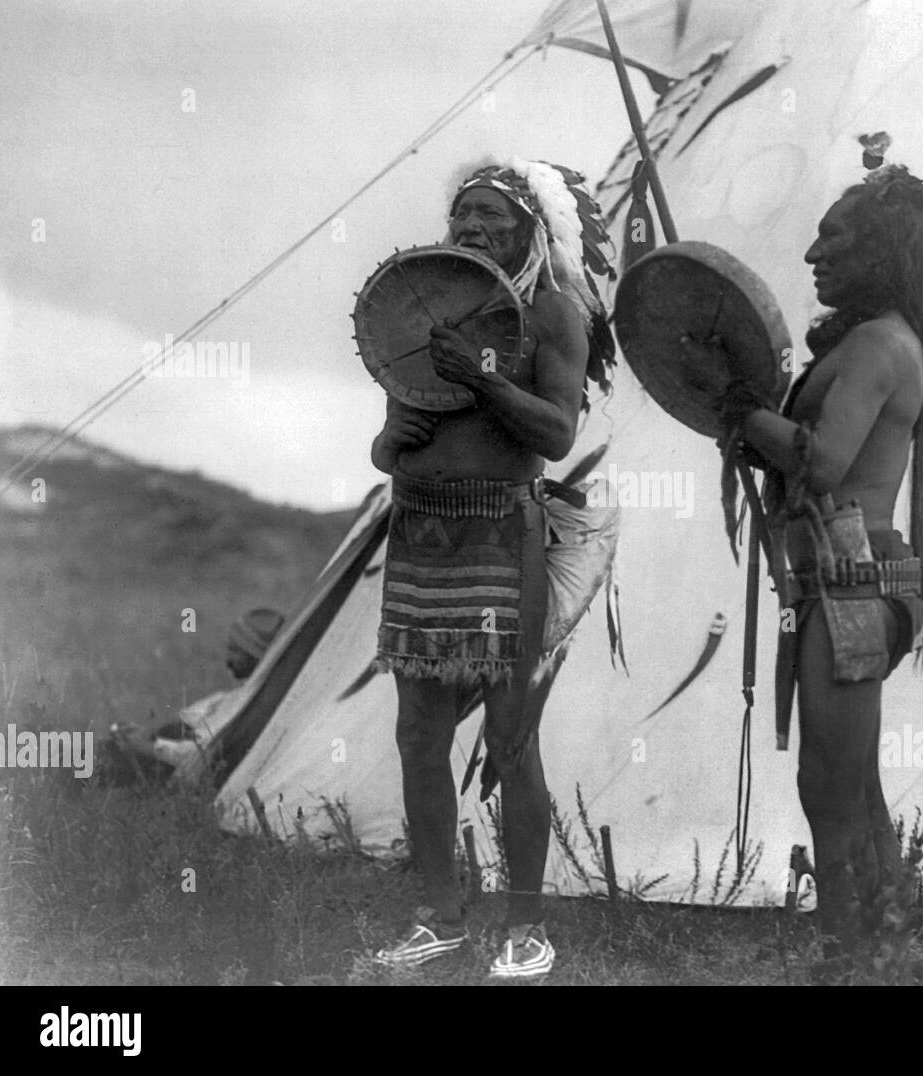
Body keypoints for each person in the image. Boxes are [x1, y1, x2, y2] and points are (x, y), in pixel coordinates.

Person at [370, 159, 614, 979]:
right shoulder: (423, 306)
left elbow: (555, 434)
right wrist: (388, 445)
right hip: (420, 539)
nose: (470, 227)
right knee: (417, 736)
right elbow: (389, 435)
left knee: (511, 742)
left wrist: (480, 375)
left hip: (503, 540)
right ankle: (439, 914)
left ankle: (524, 928)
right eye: (461, 213)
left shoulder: (552, 315)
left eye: (490, 216)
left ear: (529, 231)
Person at [721, 163, 923, 968]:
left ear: (882, 252)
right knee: (854, 787)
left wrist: (744, 414)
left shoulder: (877, 345)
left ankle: (847, 963)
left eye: (836, 238)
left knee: (827, 792)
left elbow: (822, 466)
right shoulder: (886, 338)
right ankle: (883, 949)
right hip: (852, 583)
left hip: (853, 589)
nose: (813, 254)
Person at [105, 607, 285, 783]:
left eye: (236, 651)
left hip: (170, 760)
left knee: (97, 760)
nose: (228, 659)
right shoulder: (242, 695)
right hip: (168, 744)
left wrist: (148, 747)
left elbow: (204, 755)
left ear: (257, 657)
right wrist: (148, 733)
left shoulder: (254, 709)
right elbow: (193, 719)